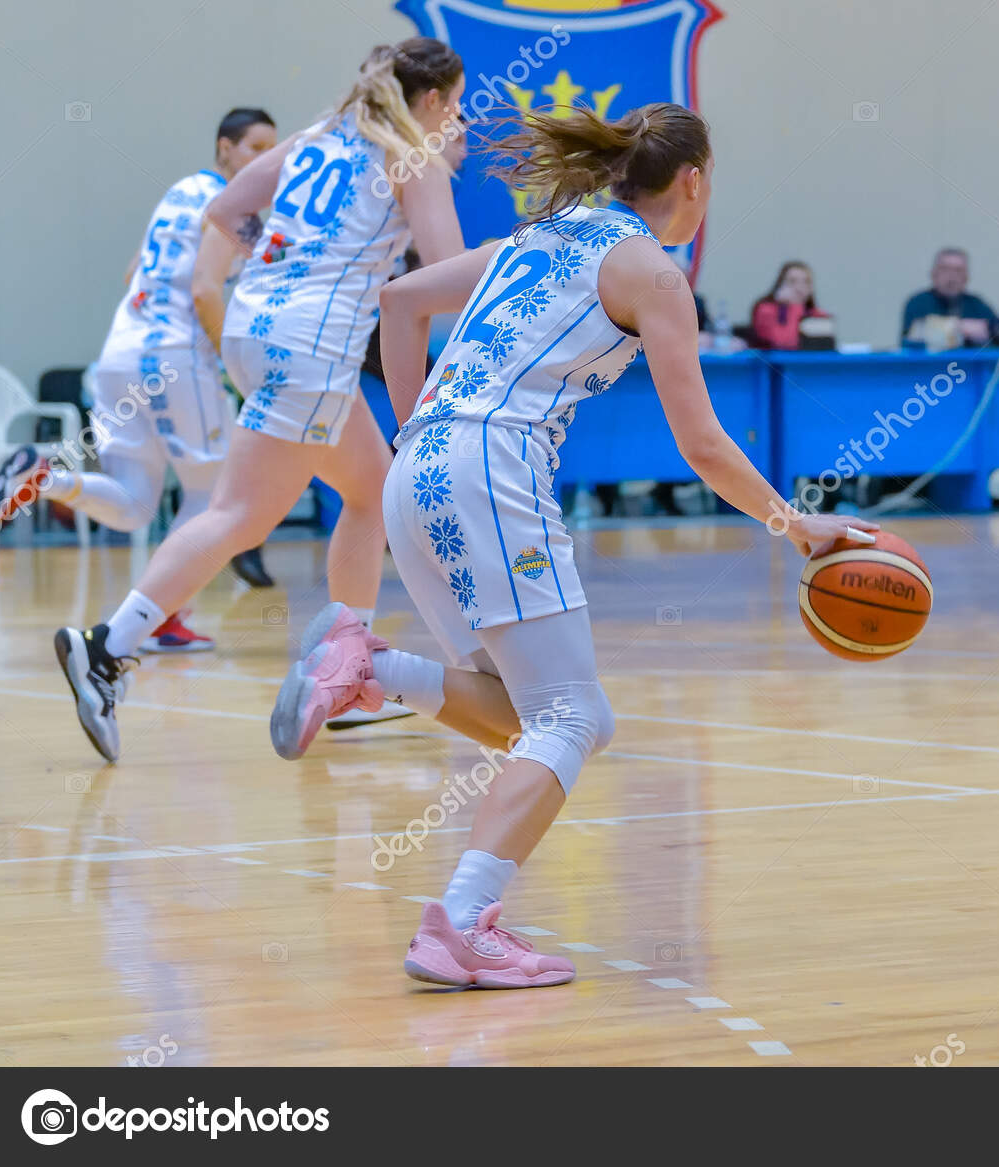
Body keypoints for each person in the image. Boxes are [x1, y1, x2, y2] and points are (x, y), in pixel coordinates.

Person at [268, 101, 876, 988]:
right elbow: (700, 443)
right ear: (695, 181)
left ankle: (367, 669)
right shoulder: (653, 274)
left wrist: (415, 429)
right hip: (490, 466)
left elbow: (400, 300)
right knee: (574, 717)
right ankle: (463, 921)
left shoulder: (545, 232)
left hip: (422, 464)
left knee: (529, 716)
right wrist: (796, 523)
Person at [52, 37, 468, 762]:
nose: (459, 121)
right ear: (429, 101)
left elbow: (226, 208)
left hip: (254, 325)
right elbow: (449, 275)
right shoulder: (416, 158)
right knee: (238, 514)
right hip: (310, 346)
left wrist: (288, 252)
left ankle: (344, 673)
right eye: (456, 106)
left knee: (369, 491)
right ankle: (104, 646)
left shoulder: (321, 135)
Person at [0, 109, 281, 646]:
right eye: (257, 147)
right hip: (175, 356)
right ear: (225, 149)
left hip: (121, 351)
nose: (267, 160)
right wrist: (229, 364)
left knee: (134, 502)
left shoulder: (179, 191)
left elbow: (130, 273)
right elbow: (204, 292)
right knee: (213, 495)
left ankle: (43, 478)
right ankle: (164, 611)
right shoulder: (234, 209)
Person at [899, 247, 999, 349]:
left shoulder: (976, 304)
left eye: (958, 271)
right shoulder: (918, 302)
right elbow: (910, 340)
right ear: (933, 274)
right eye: (945, 269)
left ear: (966, 278)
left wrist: (990, 332)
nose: (951, 276)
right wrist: (959, 328)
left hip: (970, 372)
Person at [749, 260, 828, 350]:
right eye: (792, 281)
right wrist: (794, 307)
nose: (799, 287)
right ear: (780, 285)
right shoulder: (765, 310)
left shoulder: (816, 314)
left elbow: (824, 346)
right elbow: (785, 343)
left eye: (806, 282)